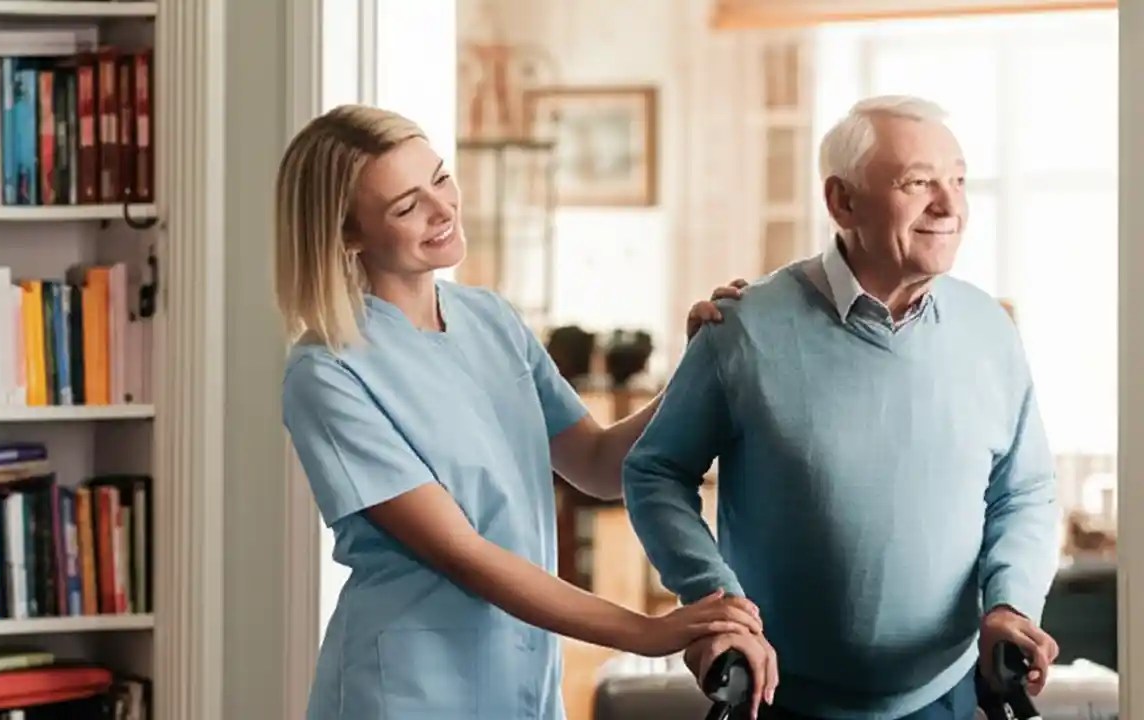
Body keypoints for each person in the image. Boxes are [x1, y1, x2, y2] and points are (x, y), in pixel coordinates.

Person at [273, 104, 761, 720]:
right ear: (348, 234)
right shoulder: (327, 373)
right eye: (407, 206)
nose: (443, 209)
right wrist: (646, 631)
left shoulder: (490, 319)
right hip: (409, 692)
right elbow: (465, 555)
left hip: (523, 680)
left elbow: (597, 465)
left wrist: (697, 368)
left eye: (440, 179)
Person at [621, 95, 1062, 720]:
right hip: (776, 699)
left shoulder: (989, 329)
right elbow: (655, 472)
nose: (950, 205)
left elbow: (1026, 490)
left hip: (948, 697)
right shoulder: (741, 329)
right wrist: (714, 600)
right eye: (919, 183)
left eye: (959, 180)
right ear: (842, 201)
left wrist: (1011, 602)